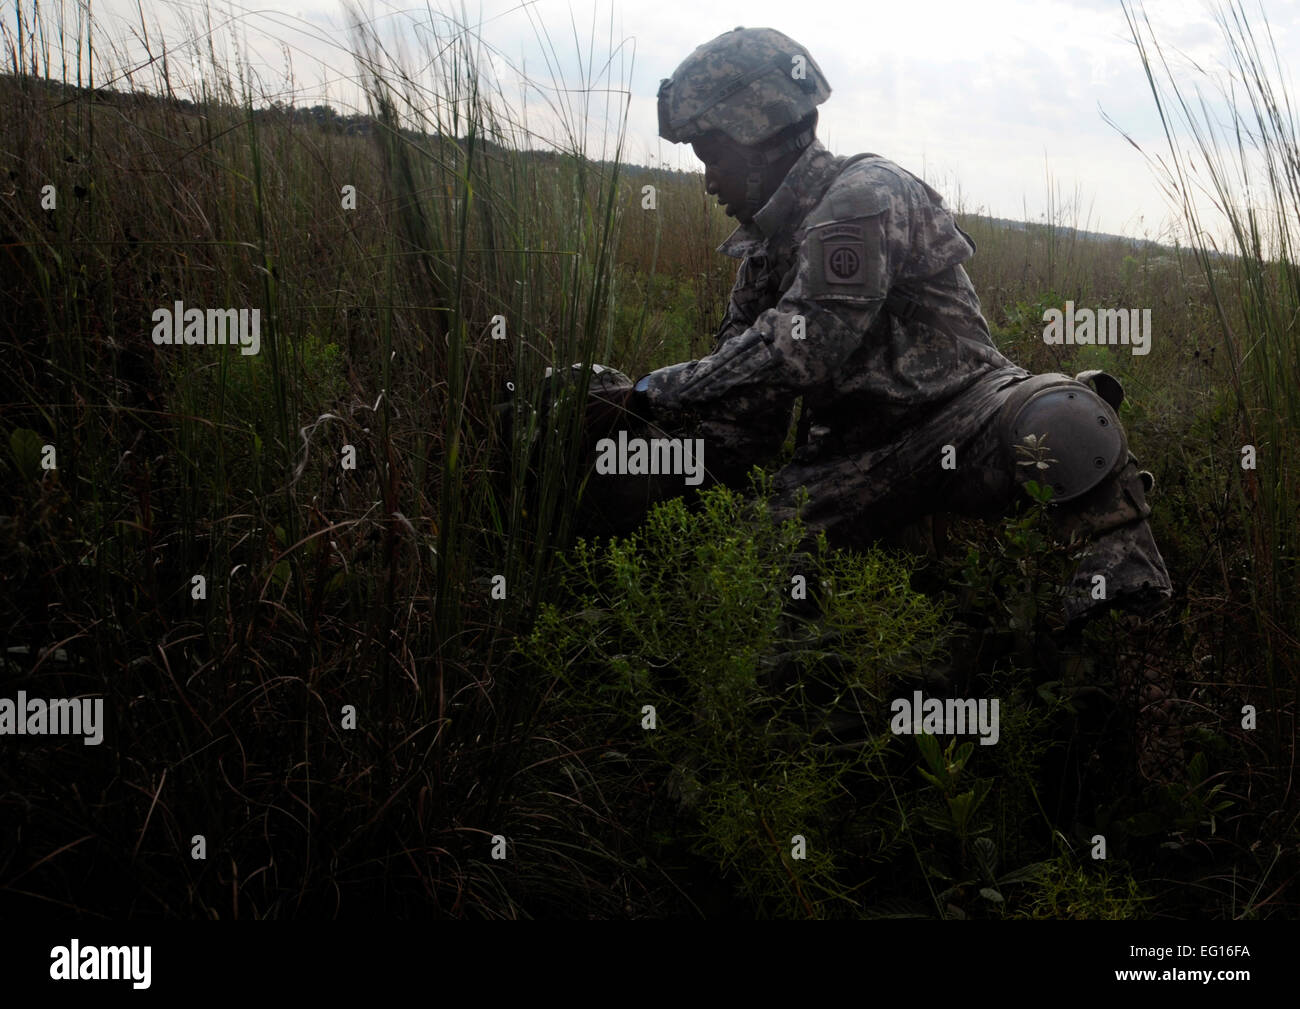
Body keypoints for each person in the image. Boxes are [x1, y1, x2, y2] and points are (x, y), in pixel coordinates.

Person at [611, 25, 1171, 629]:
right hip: (854, 456)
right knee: (751, 581)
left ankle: (1122, 609)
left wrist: (651, 391)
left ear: (759, 134)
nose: (709, 181)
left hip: (966, 412)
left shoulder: (864, 194)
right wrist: (651, 454)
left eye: (712, 155)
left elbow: (803, 348)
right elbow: (747, 415)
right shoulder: (761, 258)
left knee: (1058, 415)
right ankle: (885, 661)